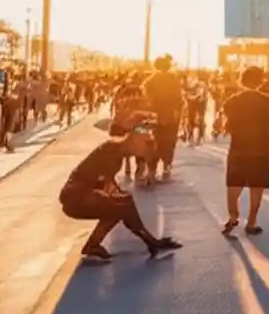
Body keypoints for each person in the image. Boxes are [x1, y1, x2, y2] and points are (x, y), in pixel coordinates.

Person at [59, 111, 182, 261]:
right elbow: (104, 183)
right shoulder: (111, 150)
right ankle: (149, 242)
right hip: (75, 196)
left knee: (123, 204)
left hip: (81, 194)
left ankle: (148, 241)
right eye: (144, 142)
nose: (144, 149)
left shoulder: (117, 153)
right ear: (133, 139)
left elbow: (107, 184)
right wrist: (120, 199)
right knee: (121, 206)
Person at [222, 66, 269, 237]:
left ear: (241, 80)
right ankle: (251, 222)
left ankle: (233, 216)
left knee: (234, 184)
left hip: (239, 148)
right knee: (256, 187)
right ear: (261, 81)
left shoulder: (232, 101)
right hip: (261, 149)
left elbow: (225, 126)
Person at [143, 55, 183, 181]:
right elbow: (178, 98)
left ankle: (152, 168)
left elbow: (146, 98)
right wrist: (177, 113)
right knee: (169, 141)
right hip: (170, 115)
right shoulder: (173, 80)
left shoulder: (150, 80)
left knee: (153, 140)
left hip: (155, 115)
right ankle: (167, 165)